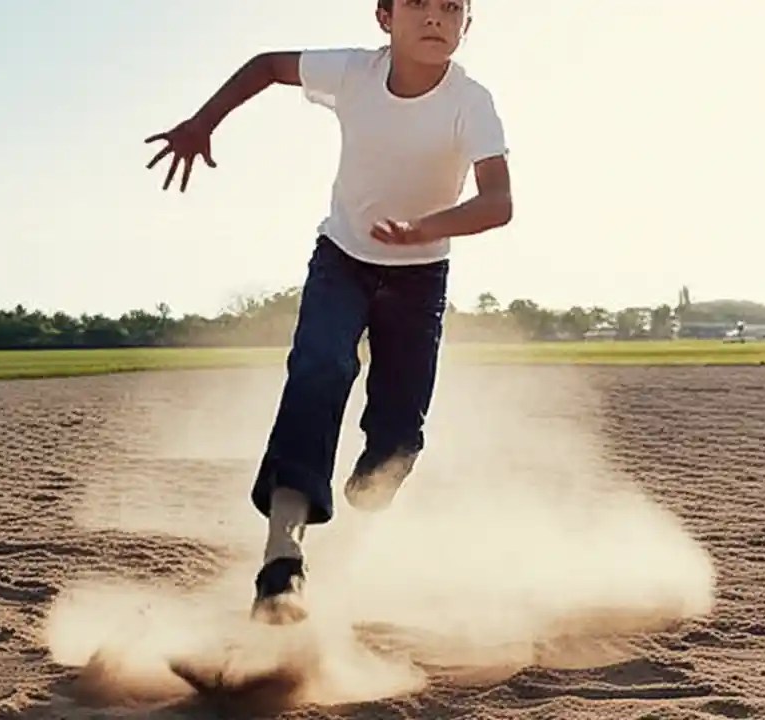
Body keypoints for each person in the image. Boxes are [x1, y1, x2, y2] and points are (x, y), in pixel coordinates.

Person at [144, 0, 511, 625]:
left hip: (420, 278)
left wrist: (424, 227)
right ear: (384, 17)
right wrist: (203, 122)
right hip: (342, 258)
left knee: (396, 440)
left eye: (453, 7)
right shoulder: (351, 74)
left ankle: (347, 561)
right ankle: (281, 563)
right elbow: (265, 66)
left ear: (467, 26)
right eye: (419, 3)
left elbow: (497, 202)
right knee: (319, 368)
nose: (436, 18)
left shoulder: (471, 102)